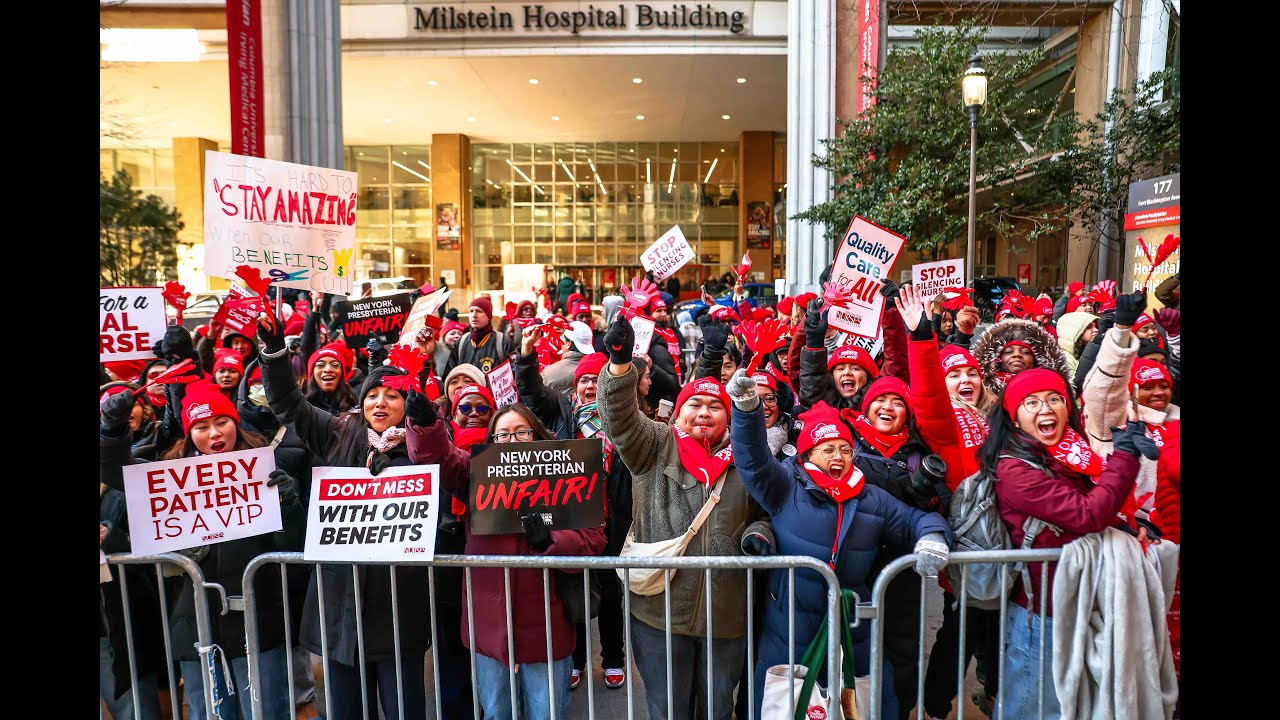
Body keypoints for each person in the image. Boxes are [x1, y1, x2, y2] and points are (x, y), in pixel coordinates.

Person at [724, 376, 951, 719]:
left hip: (853, 628)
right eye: (828, 449)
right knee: (787, 706)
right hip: (790, 629)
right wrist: (746, 410)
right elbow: (753, 460)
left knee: (863, 705)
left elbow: (913, 520)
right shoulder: (786, 486)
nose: (839, 456)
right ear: (809, 454)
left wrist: (932, 536)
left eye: (845, 449)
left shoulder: (870, 496)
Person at [256, 317, 434, 720]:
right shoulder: (338, 432)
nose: (381, 403)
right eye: (374, 395)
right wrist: (274, 354)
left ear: (407, 404)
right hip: (342, 613)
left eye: (392, 395)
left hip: (397, 613)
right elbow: (288, 404)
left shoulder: (424, 449)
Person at [597, 317, 774, 720]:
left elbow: (765, 511)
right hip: (659, 613)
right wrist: (620, 365)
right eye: (694, 404)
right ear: (678, 414)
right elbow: (619, 418)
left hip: (725, 613)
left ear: (729, 419)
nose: (704, 412)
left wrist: (760, 534)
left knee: (715, 709)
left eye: (716, 406)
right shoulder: (655, 446)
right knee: (668, 709)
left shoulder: (748, 459)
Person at [100, 380, 305, 720]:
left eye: (221, 422)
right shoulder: (166, 476)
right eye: (201, 426)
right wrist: (111, 429)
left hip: (257, 623)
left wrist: (288, 503)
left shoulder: (265, 467)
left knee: (266, 711)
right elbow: (112, 468)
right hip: (193, 628)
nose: (214, 434)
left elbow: (291, 545)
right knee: (207, 712)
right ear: (188, 432)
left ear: (235, 423)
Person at [408, 401, 606, 719]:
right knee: (498, 711)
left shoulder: (567, 472)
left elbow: (593, 538)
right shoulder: (477, 475)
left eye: (521, 432)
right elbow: (441, 458)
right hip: (489, 628)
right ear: (492, 443)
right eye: (502, 436)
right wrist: (425, 425)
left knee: (547, 713)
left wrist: (552, 541)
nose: (512, 442)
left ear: (537, 437)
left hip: (547, 627)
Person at [979, 367, 1151, 719]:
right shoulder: (1015, 470)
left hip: (1078, 601)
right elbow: (1087, 514)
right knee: (1029, 707)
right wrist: (1126, 457)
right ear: (1014, 416)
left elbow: (1098, 503)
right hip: (1042, 611)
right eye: (1032, 402)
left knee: (1068, 707)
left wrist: (1129, 524)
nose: (1046, 408)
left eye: (1054, 399)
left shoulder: (1069, 452)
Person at [513, 338, 632, 690]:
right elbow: (532, 393)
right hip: (573, 522)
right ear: (575, 385)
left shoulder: (624, 418)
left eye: (597, 379)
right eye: (584, 380)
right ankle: (576, 660)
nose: (590, 385)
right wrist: (526, 355)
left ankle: (613, 658)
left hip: (611, 522)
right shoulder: (563, 414)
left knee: (611, 593)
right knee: (574, 591)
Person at [970, 317, 1074, 399]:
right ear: (997, 361)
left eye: (1025, 352)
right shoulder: (982, 392)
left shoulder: (1052, 390)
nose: (1017, 355)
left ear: (1036, 361)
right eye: (1008, 352)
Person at [445, 295, 511, 375]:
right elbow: (450, 374)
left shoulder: (502, 342)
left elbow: (512, 374)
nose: (474, 315)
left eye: (479, 311)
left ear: (489, 316)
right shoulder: (461, 342)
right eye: (471, 311)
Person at [1055, 310, 1099, 376]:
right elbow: (1076, 384)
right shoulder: (1065, 359)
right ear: (1074, 332)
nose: (1096, 330)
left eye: (1095, 326)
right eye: (1089, 327)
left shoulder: (1094, 349)